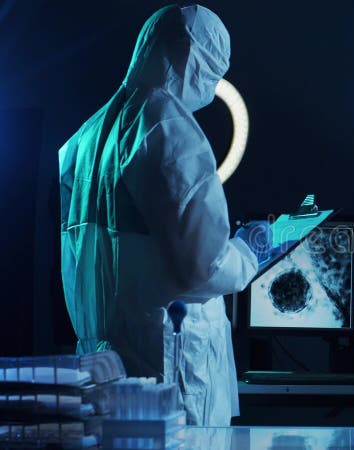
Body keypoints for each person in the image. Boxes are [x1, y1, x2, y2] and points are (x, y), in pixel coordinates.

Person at [59, 4, 265, 426]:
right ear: (189, 56)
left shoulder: (83, 138)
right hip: (171, 368)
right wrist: (251, 252)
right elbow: (201, 267)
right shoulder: (168, 127)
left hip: (108, 369)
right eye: (210, 73)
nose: (209, 89)